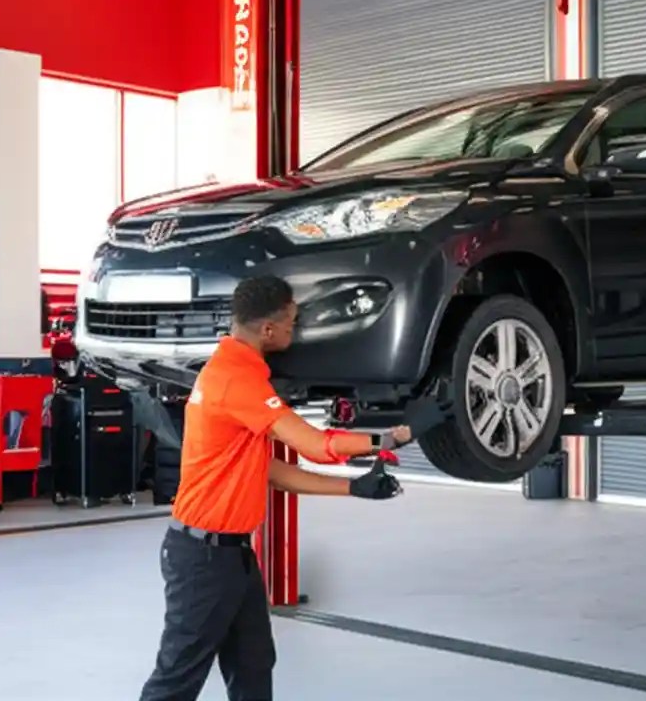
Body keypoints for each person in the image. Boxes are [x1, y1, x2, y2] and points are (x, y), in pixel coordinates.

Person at [138, 274, 450, 701]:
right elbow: (316, 445)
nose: (296, 329)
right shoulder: (237, 381)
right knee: (176, 680)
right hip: (204, 561)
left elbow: (270, 471)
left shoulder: (234, 371)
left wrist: (353, 489)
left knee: (252, 664)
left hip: (231, 556)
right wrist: (397, 435)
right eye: (292, 321)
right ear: (267, 330)